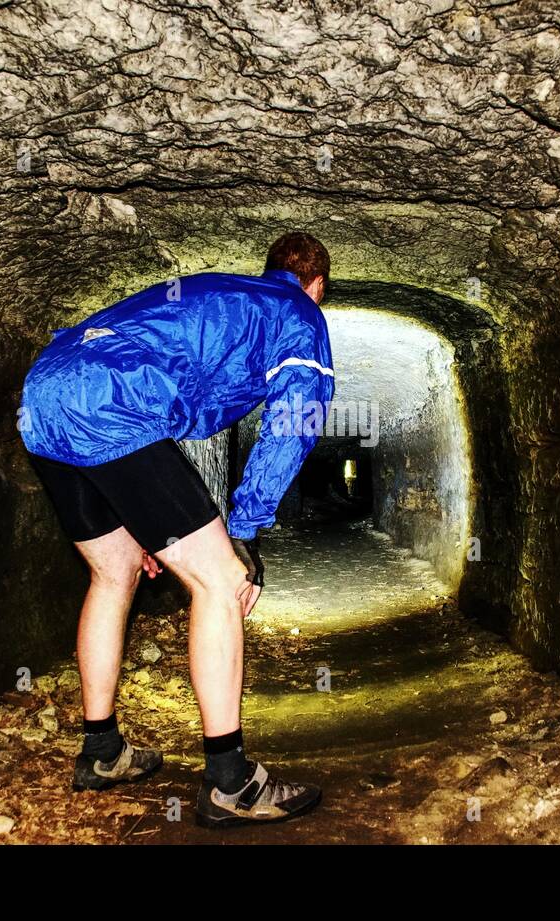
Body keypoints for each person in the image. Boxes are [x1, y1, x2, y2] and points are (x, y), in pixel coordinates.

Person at [19, 232, 334, 827]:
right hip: (115, 403)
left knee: (113, 572)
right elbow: (295, 418)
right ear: (316, 287)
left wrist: (153, 524)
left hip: (45, 391)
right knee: (220, 580)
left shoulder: (216, 291)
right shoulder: (299, 314)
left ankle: (102, 752)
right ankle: (229, 783)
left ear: (268, 269)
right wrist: (246, 528)